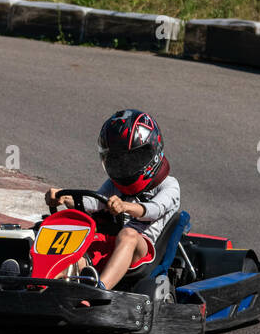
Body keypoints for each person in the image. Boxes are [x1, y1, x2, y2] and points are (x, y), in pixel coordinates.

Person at [44, 109, 180, 291]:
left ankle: (99, 289)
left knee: (128, 235)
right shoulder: (115, 184)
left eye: (130, 160)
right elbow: (95, 203)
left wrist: (125, 207)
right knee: (75, 234)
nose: (123, 166)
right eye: (117, 160)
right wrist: (63, 197)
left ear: (151, 153)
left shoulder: (169, 185)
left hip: (143, 248)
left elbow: (153, 210)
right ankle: (48, 282)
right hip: (111, 241)